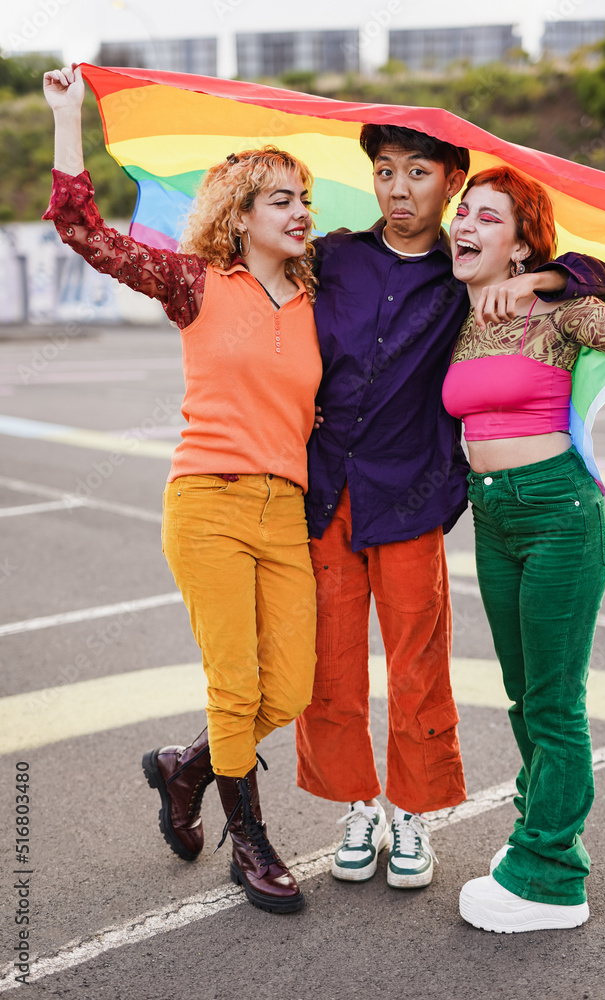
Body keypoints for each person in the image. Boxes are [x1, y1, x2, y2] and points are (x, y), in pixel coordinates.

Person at [144, 120, 605, 891]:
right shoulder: (331, 257)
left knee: (416, 666)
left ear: (450, 184)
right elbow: (248, 262)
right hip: (322, 493)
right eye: (385, 171)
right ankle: (358, 808)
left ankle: (411, 814)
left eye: (418, 173)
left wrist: (541, 282)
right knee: (327, 670)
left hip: (411, 497)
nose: (399, 189)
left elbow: (593, 274)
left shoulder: (465, 273)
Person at [43, 65, 323, 914]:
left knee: (289, 689)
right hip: (207, 503)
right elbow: (82, 230)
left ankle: (184, 767)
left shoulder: (320, 296)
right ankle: (252, 846)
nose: (301, 211)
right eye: (281, 199)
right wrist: (66, 116)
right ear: (239, 215)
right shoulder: (196, 283)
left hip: (286, 510)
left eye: (305, 198)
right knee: (235, 687)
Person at [442, 165, 605, 931]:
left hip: (558, 514)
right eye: (462, 211)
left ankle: (551, 877)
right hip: (492, 517)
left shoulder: (559, 310)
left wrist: (542, 278)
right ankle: (537, 832)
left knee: (553, 701)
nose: (463, 225)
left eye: (487, 217)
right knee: (521, 694)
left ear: (519, 245)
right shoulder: (456, 313)